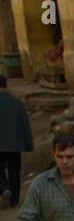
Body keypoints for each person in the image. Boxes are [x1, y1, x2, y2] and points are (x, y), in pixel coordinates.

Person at [0, 74, 33, 206]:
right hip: (15, 144)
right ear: (6, 85)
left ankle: (3, 187)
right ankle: (14, 200)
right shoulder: (17, 103)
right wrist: (28, 144)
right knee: (15, 170)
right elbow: (25, 124)